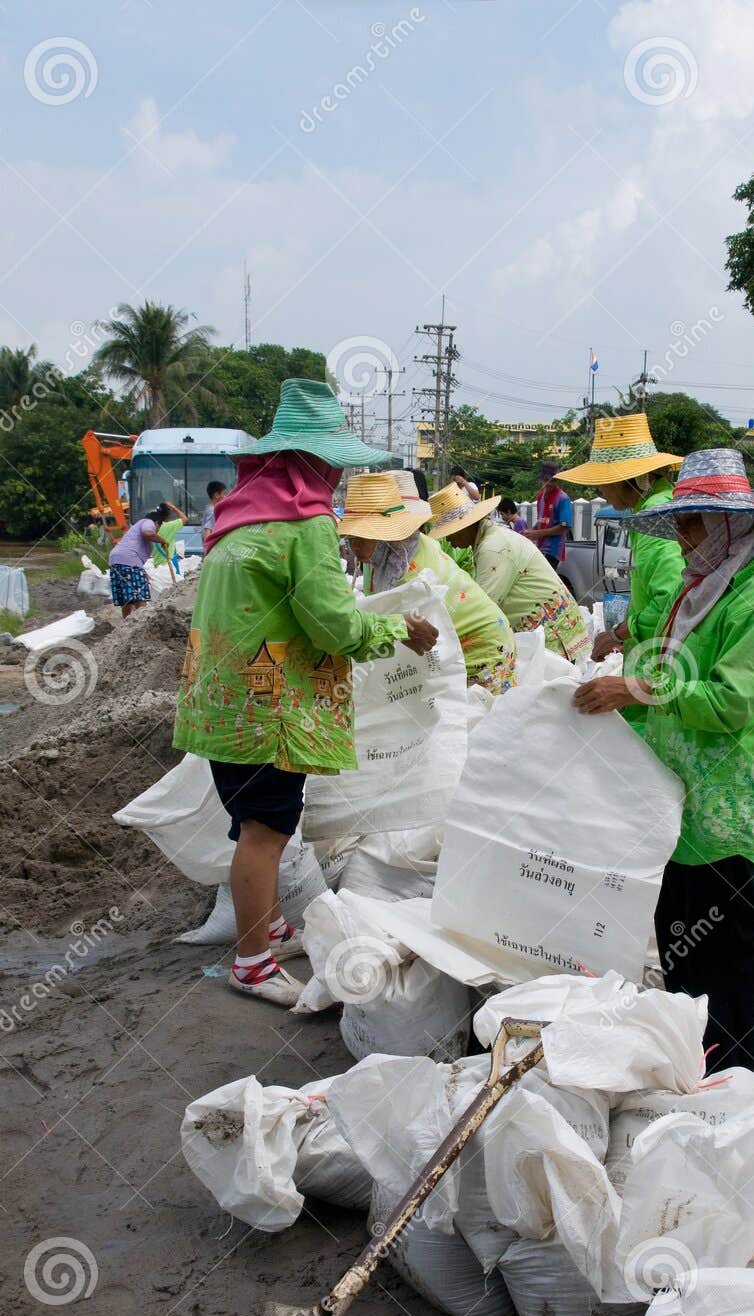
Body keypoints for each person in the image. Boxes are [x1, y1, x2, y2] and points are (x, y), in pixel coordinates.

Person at [173, 379, 438, 1007]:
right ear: (314, 462)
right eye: (330, 463)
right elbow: (335, 627)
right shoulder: (306, 524)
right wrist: (399, 629)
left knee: (256, 825)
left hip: (223, 705)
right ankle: (253, 963)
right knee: (265, 829)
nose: (333, 474)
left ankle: (268, 931)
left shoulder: (239, 519)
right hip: (268, 707)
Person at [573, 449, 754, 1073]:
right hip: (674, 795)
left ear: (730, 526)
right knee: (679, 937)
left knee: (720, 949)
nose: (685, 535)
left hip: (718, 800)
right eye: (682, 522)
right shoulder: (699, 592)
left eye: (696, 523)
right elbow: (660, 668)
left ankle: (728, 1075)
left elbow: (730, 701)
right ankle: (688, 1058)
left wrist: (636, 692)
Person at [557, 413, 683, 729]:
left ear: (623, 479)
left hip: (662, 669)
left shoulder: (657, 523)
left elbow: (673, 603)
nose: (600, 489)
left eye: (602, 480)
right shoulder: (653, 513)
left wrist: (617, 633)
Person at [340, 470, 518, 693]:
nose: (352, 546)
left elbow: (408, 640)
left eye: (359, 537)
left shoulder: (412, 576)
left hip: (481, 647)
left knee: (474, 718)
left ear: (383, 534)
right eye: (349, 537)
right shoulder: (397, 552)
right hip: (454, 644)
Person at [429, 480, 589, 660]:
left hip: (552, 638)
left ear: (465, 526)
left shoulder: (493, 548)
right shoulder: (490, 540)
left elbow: (483, 607)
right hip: (548, 634)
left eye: (450, 532)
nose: (448, 540)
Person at [107, 504, 175, 618]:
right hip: (128, 561)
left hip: (116, 561)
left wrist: (143, 573)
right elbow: (148, 533)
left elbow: (134, 555)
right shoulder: (148, 522)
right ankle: (142, 624)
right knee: (140, 597)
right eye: (158, 528)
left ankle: (125, 625)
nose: (157, 531)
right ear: (157, 523)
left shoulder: (136, 529)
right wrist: (163, 540)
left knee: (126, 599)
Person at [524, 461, 574, 574]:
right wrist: (531, 530)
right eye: (547, 480)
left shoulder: (563, 498)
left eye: (554, 480)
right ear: (541, 479)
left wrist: (538, 533)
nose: (550, 483)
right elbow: (541, 520)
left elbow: (564, 527)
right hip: (540, 547)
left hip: (553, 550)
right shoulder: (540, 496)